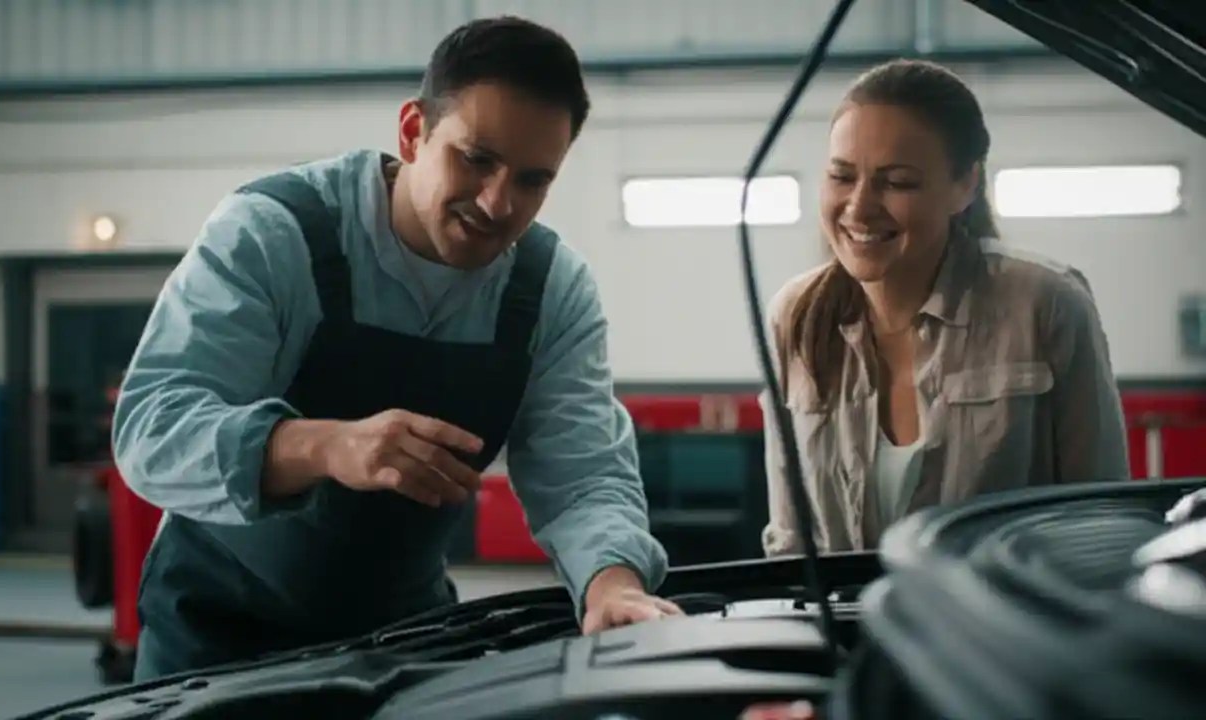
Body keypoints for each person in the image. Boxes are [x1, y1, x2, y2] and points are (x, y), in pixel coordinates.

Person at [113, 15, 680, 681]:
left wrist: (610, 585)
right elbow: (152, 429)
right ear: (413, 132)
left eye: (532, 180)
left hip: (401, 639)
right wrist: (324, 446)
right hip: (217, 633)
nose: (499, 203)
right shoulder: (273, 234)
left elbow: (584, 473)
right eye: (477, 159)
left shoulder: (550, 290)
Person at [759, 58, 1130, 556]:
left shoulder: (1046, 304)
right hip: (845, 632)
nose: (859, 206)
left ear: (965, 187)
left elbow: (1100, 522)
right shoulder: (797, 315)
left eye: (898, 182)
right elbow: (790, 542)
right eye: (842, 176)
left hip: (1000, 630)